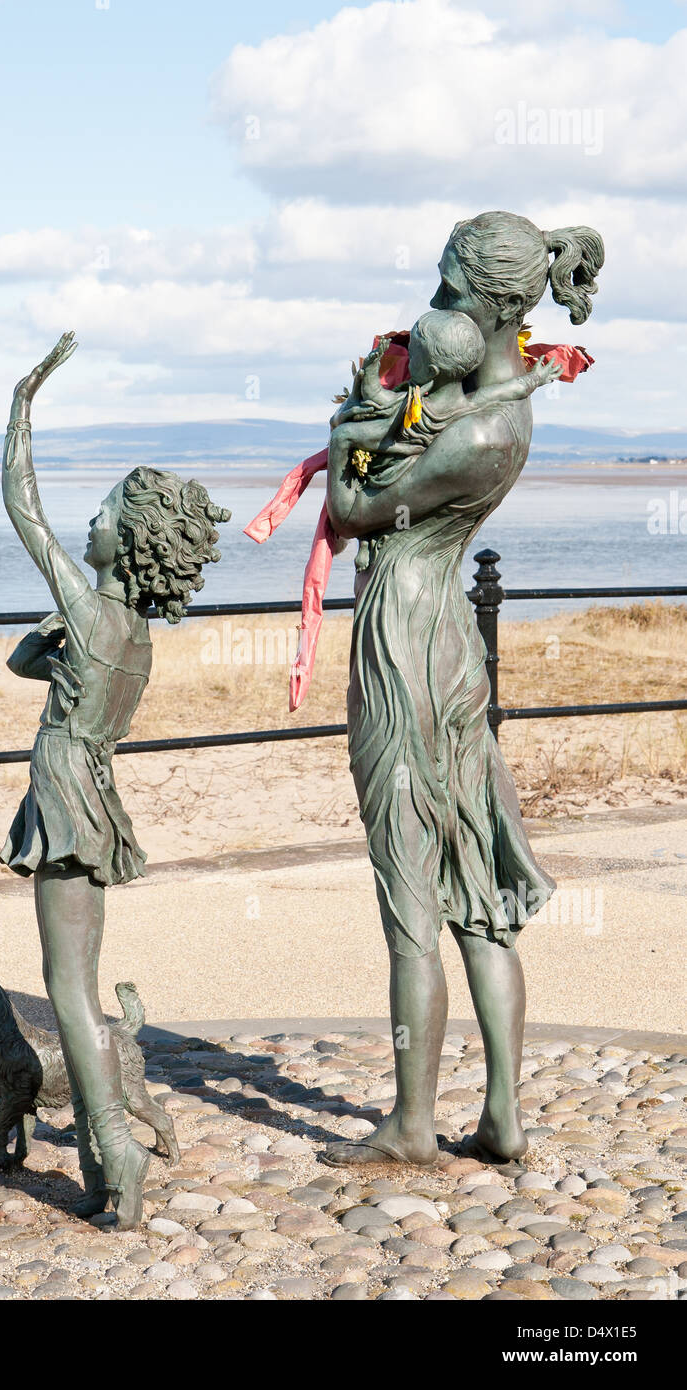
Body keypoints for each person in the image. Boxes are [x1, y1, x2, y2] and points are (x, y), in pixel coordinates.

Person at [320, 213, 604, 1167]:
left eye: (447, 289)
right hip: (454, 657)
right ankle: (502, 1116)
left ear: (489, 306)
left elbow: (355, 511)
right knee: (474, 881)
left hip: (405, 645)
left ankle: (409, 1125)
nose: (433, 301)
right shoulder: (504, 406)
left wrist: (348, 421)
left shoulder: (479, 431)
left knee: (411, 894)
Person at [0, 332, 230, 1225]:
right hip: (96, 789)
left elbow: (23, 508)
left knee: (66, 987)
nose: (89, 523)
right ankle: (107, 1146)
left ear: (125, 540)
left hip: (62, 787)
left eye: (102, 515)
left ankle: (114, 1143)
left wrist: (22, 407)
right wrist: (37, 650)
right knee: (81, 984)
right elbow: (48, 676)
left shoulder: (88, 608)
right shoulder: (129, 638)